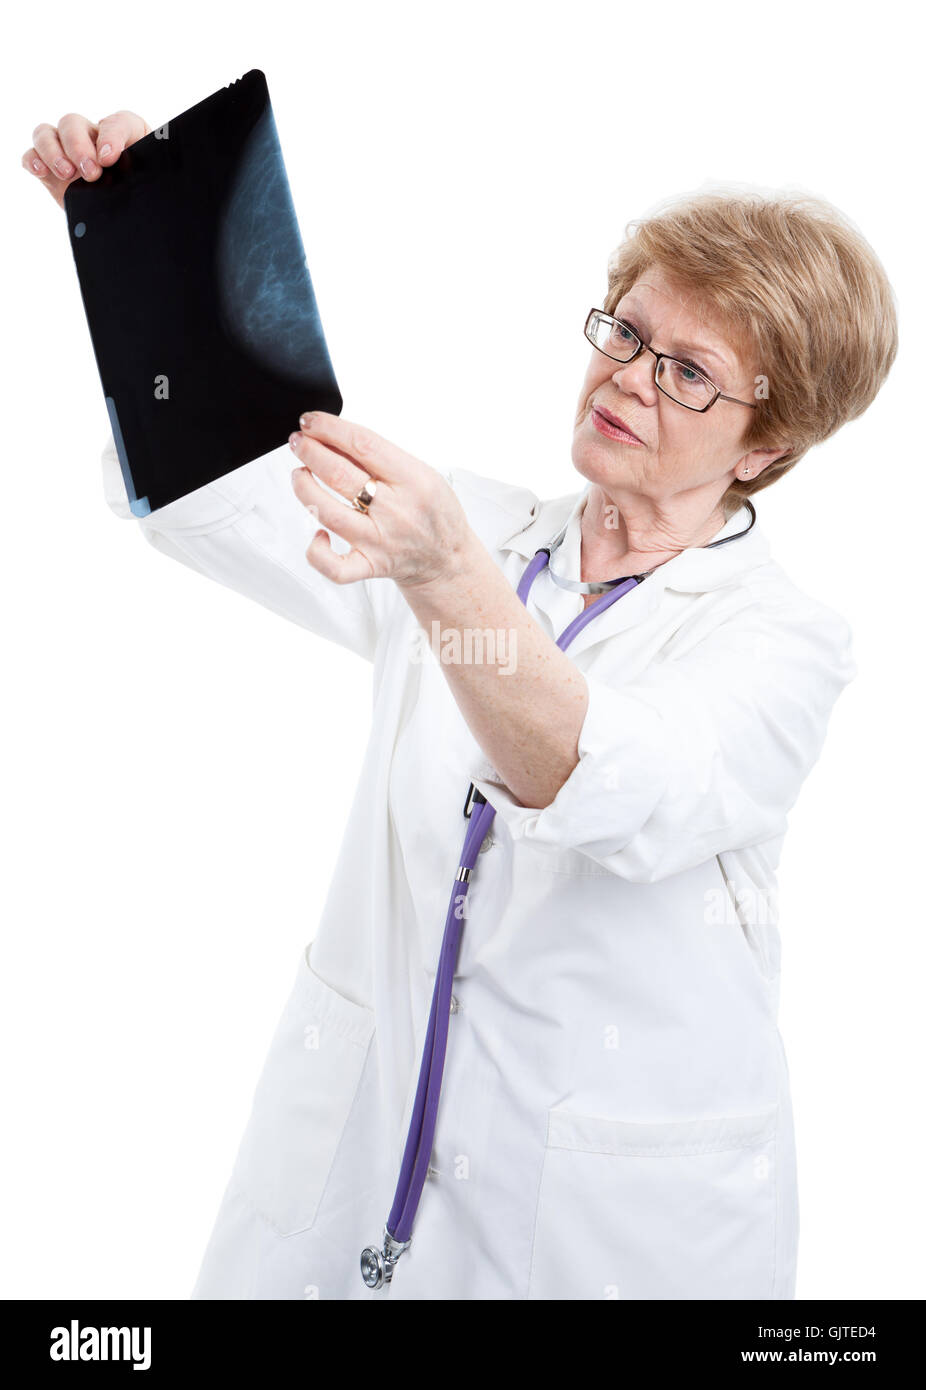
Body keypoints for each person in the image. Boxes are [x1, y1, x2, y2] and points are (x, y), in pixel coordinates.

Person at [24, 110, 898, 1300]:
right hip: (358, 1179)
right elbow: (216, 486)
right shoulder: (479, 528)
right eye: (625, 332)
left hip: (615, 1236)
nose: (628, 379)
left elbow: (605, 776)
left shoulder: (780, 643)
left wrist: (443, 573)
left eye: (686, 372)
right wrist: (142, 243)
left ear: (768, 439)